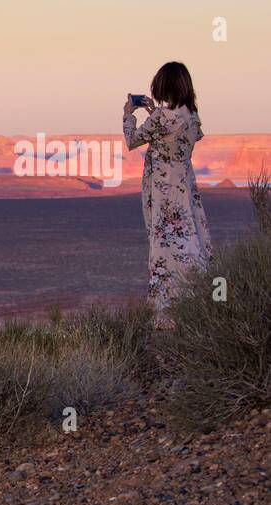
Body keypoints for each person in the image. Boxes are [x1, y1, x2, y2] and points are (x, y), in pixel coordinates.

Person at [123, 61, 211, 329]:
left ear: (165, 86)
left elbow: (132, 139)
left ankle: (166, 315)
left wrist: (129, 114)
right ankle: (195, 301)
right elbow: (179, 134)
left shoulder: (161, 118)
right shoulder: (192, 117)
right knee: (188, 239)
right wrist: (155, 111)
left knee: (163, 244)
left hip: (162, 191)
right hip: (184, 187)